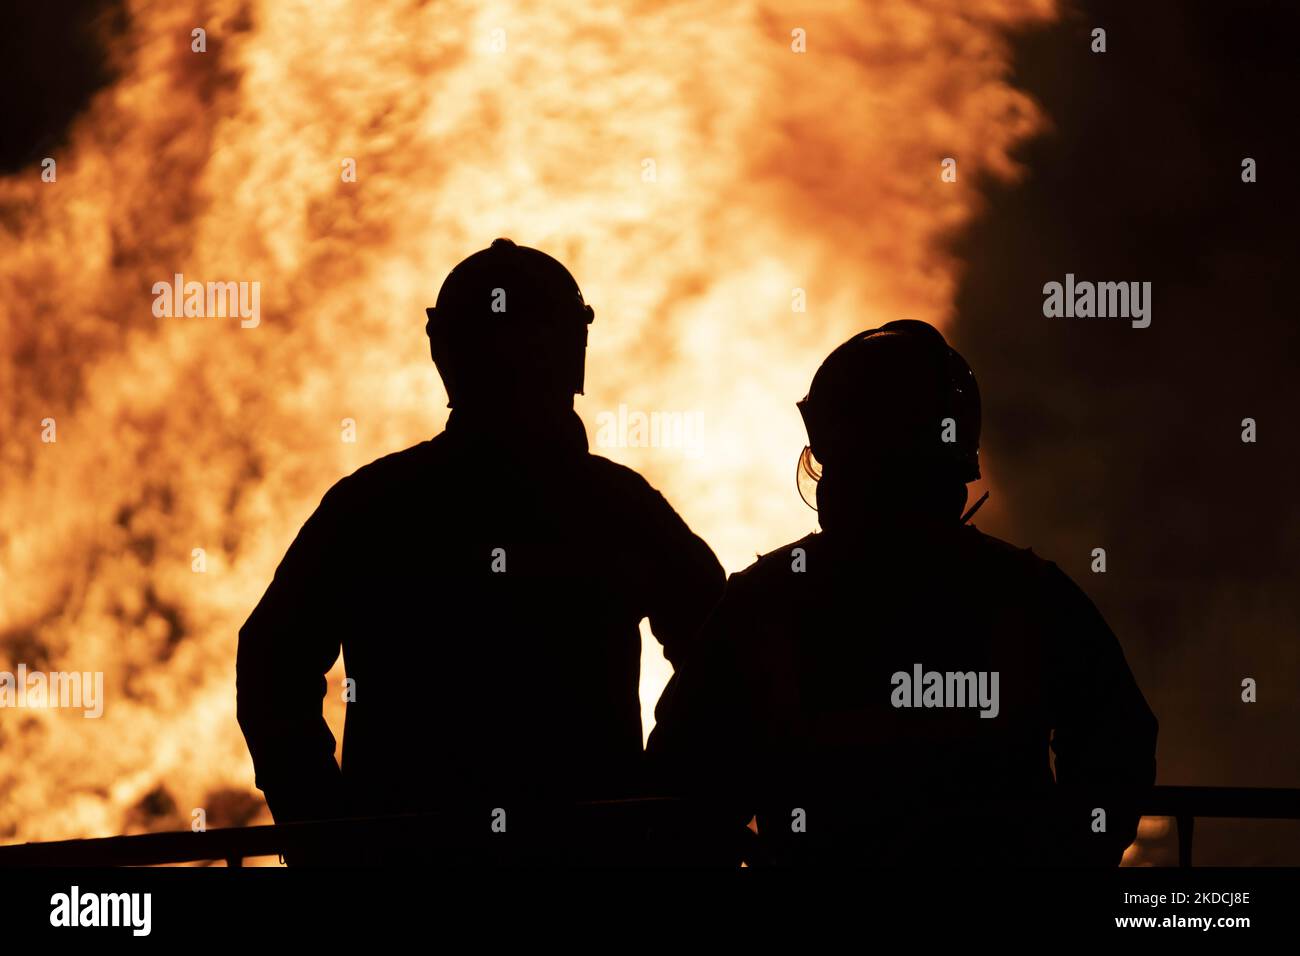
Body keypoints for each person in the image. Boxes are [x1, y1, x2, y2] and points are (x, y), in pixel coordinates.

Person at [237, 238, 725, 864]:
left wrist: (328, 835)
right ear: (574, 354)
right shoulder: (617, 508)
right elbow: (727, 666)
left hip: (408, 871)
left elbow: (272, 667)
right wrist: (662, 816)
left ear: (445, 356)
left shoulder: (375, 507)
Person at [649, 319, 1158, 866]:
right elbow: (1116, 748)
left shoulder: (766, 600)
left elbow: (681, 780)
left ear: (836, 462)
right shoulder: (1029, 595)